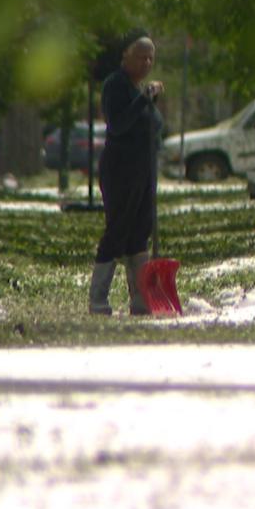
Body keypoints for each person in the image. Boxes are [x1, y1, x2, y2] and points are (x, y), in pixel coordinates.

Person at [88, 33, 165, 315]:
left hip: (144, 170)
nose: (146, 63)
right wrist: (144, 100)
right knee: (118, 229)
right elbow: (118, 125)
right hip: (120, 169)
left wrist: (148, 99)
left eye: (150, 58)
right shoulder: (116, 86)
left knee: (139, 232)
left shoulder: (139, 88)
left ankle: (141, 298)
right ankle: (98, 298)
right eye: (141, 56)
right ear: (125, 57)